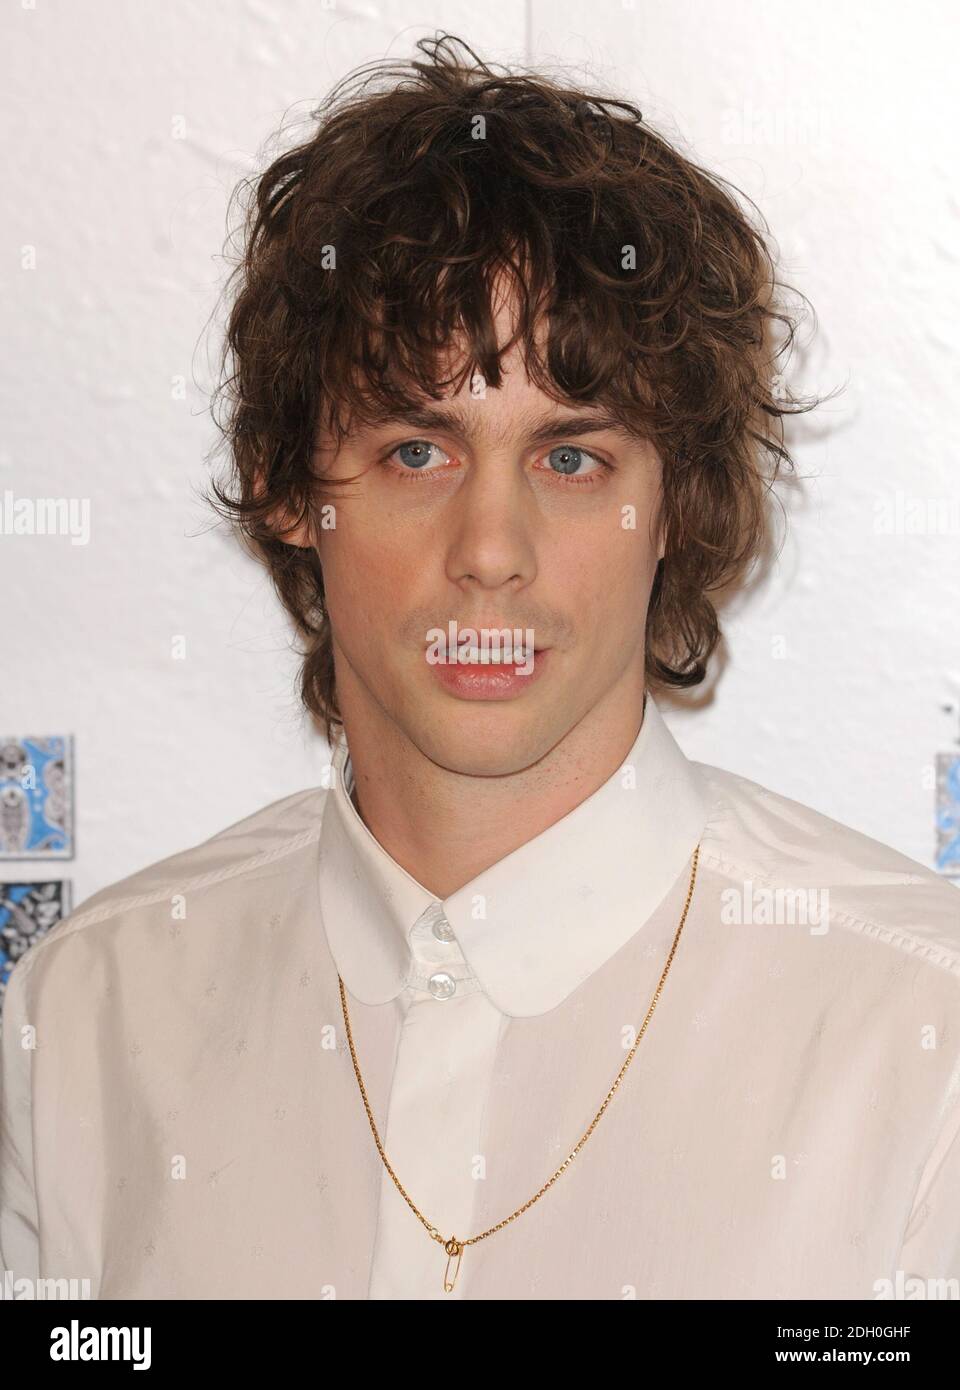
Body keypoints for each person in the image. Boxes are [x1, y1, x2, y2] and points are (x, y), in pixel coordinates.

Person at [2, 33, 958, 1302]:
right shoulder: (85, 1021)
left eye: (571, 458)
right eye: (416, 450)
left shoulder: (921, 1038)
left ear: (676, 505)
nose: (491, 552)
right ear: (294, 485)